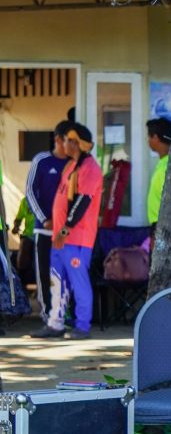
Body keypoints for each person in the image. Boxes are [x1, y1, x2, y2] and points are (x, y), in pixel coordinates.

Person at [34, 123, 103, 341]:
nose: (63, 143)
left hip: (77, 238)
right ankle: (55, 323)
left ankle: (82, 326)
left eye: (66, 139)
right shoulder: (71, 166)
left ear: (75, 142)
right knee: (57, 281)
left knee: (78, 282)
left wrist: (64, 229)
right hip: (62, 238)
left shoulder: (90, 168)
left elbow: (82, 202)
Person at [26, 118, 71, 323]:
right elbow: (30, 191)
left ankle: (64, 314)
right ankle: (48, 316)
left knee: (67, 274)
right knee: (45, 275)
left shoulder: (75, 163)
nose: (72, 145)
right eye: (68, 140)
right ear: (57, 139)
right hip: (44, 231)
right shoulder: (42, 160)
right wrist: (44, 219)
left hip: (68, 232)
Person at [146, 117, 171, 230]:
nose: (148, 141)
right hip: (158, 225)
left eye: (149, 137)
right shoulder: (163, 163)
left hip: (163, 227)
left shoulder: (169, 166)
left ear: (156, 138)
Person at [11, 196, 35, 289]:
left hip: (44, 235)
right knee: (22, 258)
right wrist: (16, 226)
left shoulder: (48, 197)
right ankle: (21, 286)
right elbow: (19, 218)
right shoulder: (25, 201)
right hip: (28, 235)